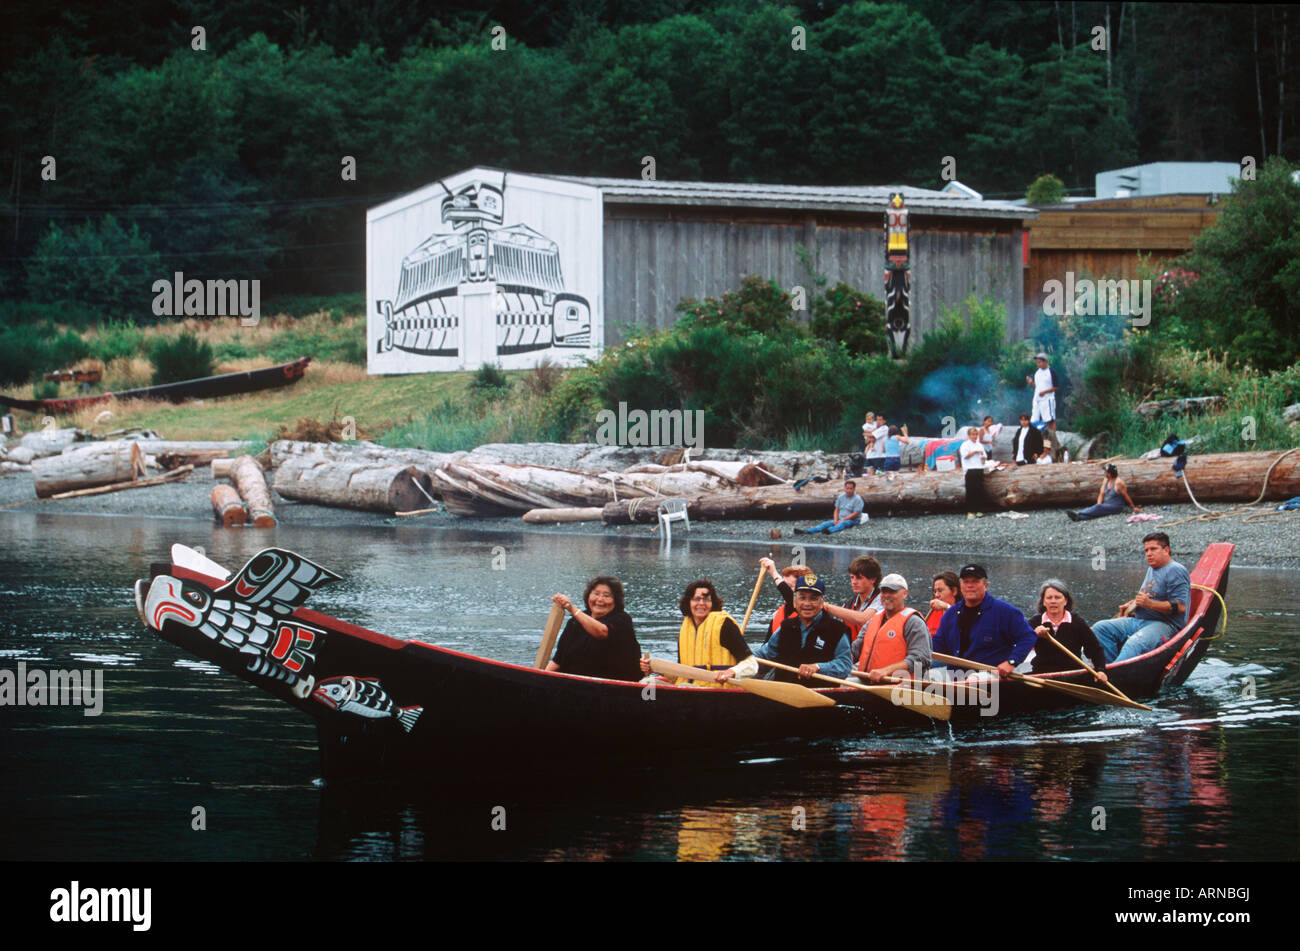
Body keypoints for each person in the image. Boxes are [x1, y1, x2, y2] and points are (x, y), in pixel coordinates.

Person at [1091, 533, 1191, 664]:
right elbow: (1150, 596)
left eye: (1153, 549)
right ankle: (1107, 669)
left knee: (1134, 643)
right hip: (1140, 621)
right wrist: (1132, 605)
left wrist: (1149, 604)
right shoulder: (1152, 569)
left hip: (1166, 626)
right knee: (1101, 628)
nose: (1148, 554)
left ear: (1166, 550)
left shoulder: (1175, 570)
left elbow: (1180, 607)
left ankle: (1115, 674)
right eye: (1146, 550)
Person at [640, 579, 758, 686]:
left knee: (684, 687)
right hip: (688, 687)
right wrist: (654, 669)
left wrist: (731, 672)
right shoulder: (686, 628)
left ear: (713, 603)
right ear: (689, 602)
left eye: (706, 599)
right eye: (696, 599)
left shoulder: (724, 625)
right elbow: (679, 676)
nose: (701, 603)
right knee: (646, 683)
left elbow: (752, 665)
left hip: (717, 689)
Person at [932, 564, 1037, 678]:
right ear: (961, 585)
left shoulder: (1004, 611)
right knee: (924, 674)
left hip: (991, 676)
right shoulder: (951, 613)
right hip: (957, 676)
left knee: (973, 680)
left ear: (985, 585)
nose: (970, 586)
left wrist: (1012, 662)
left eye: (975, 582)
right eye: (966, 582)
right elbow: (938, 645)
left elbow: (1028, 636)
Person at [745, 572, 853, 683]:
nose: (807, 604)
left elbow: (845, 666)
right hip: (781, 689)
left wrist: (818, 667)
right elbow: (764, 654)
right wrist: (742, 659)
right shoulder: (786, 627)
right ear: (795, 601)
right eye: (802, 598)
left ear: (822, 602)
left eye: (813, 599)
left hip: (817, 692)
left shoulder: (837, 630)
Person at [547, 576, 642, 681]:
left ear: (615, 600)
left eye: (607, 596)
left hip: (612, 686)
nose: (600, 600)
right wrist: (541, 677)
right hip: (574, 682)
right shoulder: (575, 621)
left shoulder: (622, 620)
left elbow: (601, 632)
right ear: (588, 596)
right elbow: (558, 660)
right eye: (596, 594)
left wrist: (570, 607)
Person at [850, 574, 932, 683]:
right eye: (884, 592)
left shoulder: (914, 623)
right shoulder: (873, 621)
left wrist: (885, 671)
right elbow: (854, 650)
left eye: (892, 592)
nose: (887, 596)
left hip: (900, 684)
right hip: (869, 680)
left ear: (905, 594)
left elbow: (921, 658)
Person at [1028, 579, 1108, 682]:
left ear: (1065, 601)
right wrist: (1033, 635)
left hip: (1073, 676)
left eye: (1057, 597)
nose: (1053, 601)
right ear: (1043, 602)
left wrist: (1101, 670)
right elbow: (1021, 647)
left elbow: (1095, 650)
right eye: (1049, 598)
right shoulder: (1035, 622)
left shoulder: (1077, 622)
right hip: (1042, 675)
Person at [823, 555, 882, 637]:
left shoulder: (882, 600)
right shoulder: (848, 604)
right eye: (852, 577)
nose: (854, 582)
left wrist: (826, 606)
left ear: (873, 579)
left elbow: (863, 619)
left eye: (859, 578)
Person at [1068, 464, 1142, 521]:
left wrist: (1133, 507)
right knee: (1098, 510)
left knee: (1098, 508)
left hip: (1116, 507)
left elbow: (1126, 496)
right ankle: (1080, 518)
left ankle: (1079, 513)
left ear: (1109, 474)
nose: (1104, 473)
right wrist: (1098, 505)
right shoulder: (1106, 480)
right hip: (1106, 504)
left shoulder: (1119, 483)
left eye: (1106, 472)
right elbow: (1101, 494)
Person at [795, 479, 866, 534]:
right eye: (847, 488)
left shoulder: (857, 499)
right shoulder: (841, 497)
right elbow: (837, 509)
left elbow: (855, 513)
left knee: (843, 524)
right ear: (845, 488)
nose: (849, 490)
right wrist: (835, 519)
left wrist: (842, 520)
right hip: (840, 518)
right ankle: (808, 531)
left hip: (852, 520)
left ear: (854, 489)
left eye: (851, 489)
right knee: (825, 524)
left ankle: (829, 530)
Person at [759, 556, 806, 634]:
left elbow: (789, 595)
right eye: (784, 584)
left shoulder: (806, 610)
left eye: (790, 586)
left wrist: (774, 573)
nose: (784, 589)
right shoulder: (778, 613)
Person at [1026, 352, 1059, 448]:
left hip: (1047, 399)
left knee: (1049, 420)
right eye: (1037, 362)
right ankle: (1036, 444)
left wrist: (1045, 392)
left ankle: (1051, 442)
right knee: (1034, 420)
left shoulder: (1051, 372)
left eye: (1040, 362)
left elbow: (1056, 387)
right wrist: (1031, 382)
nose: (1038, 364)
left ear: (1045, 362)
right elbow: (1038, 387)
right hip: (1037, 399)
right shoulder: (1037, 373)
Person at [960, 426, 988, 516]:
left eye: (976, 434)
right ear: (969, 435)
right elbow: (965, 456)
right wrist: (975, 452)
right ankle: (970, 511)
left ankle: (979, 510)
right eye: (973, 434)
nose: (975, 436)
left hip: (979, 468)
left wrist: (983, 458)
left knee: (979, 490)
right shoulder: (965, 445)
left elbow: (984, 458)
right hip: (970, 469)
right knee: (971, 490)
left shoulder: (980, 445)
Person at [925, 570, 960, 638]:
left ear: (954, 591)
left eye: (940, 591)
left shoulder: (966, 612)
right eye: (935, 591)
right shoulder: (932, 613)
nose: (936, 595)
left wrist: (947, 608)